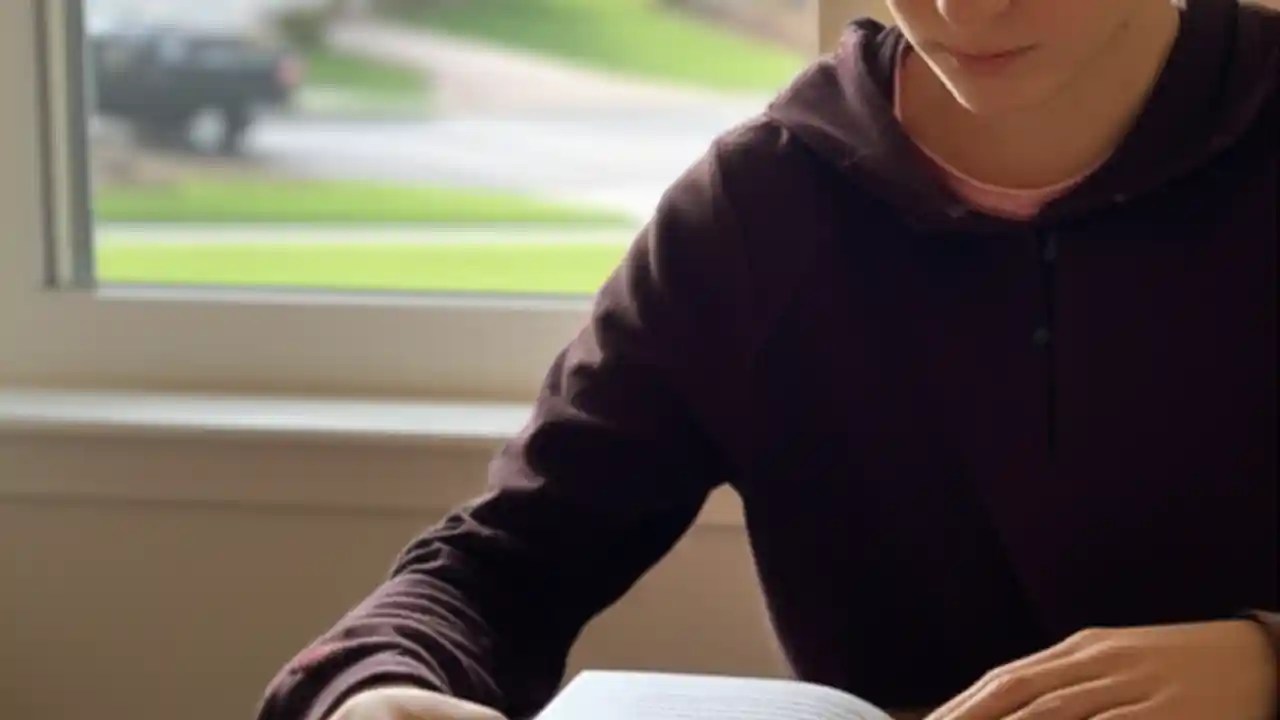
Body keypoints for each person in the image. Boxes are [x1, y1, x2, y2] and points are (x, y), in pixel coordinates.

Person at [258, 1, 1279, 719]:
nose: (964, 6)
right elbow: (504, 562)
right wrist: (374, 688)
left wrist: (1265, 662)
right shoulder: (759, 210)